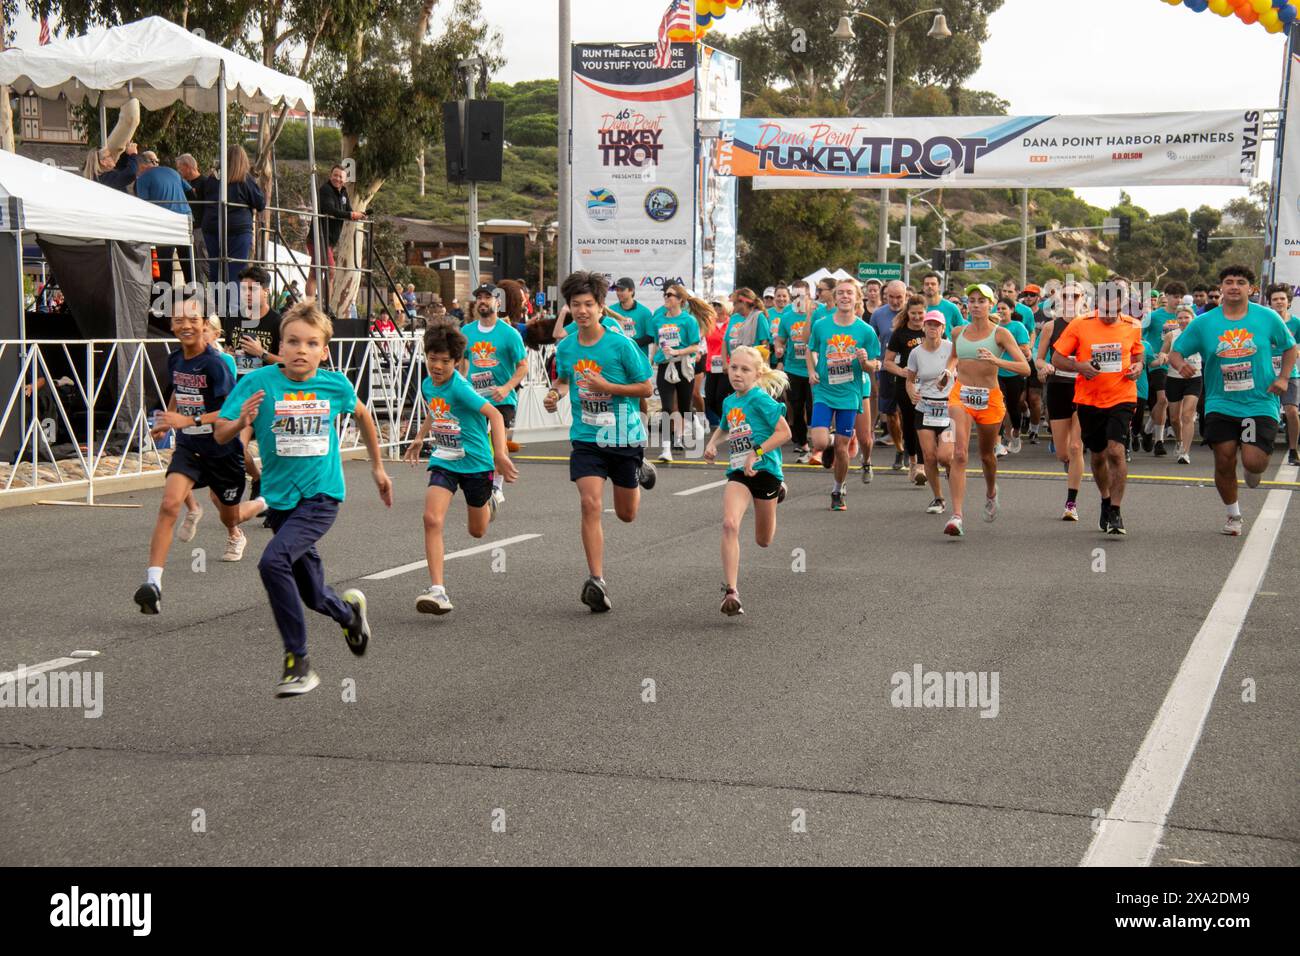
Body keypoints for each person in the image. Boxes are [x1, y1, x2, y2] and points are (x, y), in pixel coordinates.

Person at [215, 301, 393, 695]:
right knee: (312, 593)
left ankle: (299, 661)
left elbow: (363, 416)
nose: (300, 349)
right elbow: (220, 434)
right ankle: (349, 615)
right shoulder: (258, 383)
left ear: (324, 351)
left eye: (311, 343)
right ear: (281, 344)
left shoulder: (335, 385)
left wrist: (378, 468)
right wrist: (242, 422)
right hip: (281, 501)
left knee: (272, 561)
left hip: (322, 496)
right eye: (292, 341)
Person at [134, 297, 269, 614]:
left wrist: (190, 420)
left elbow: (229, 410)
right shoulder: (175, 360)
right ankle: (153, 583)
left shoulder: (217, 363)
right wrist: (166, 421)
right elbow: (177, 392)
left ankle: (262, 504)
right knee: (169, 504)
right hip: (189, 447)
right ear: (171, 325)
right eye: (179, 320)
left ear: (204, 325)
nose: (185, 325)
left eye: (192, 320)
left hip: (222, 449)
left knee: (229, 516)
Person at [543, 271, 656, 612]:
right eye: (575, 305)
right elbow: (564, 379)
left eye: (588, 305)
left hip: (623, 435)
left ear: (601, 306)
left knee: (626, 514)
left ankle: (638, 469)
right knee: (590, 503)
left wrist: (609, 388)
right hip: (587, 437)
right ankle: (596, 580)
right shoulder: (566, 345)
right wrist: (554, 394)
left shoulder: (621, 345)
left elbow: (646, 388)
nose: (582, 311)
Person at [1169, 265, 1297, 535]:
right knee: (1224, 458)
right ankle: (1233, 514)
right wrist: (1180, 365)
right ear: (1222, 288)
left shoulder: (1267, 317)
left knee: (1254, 462)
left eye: (1241, 282)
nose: (1234, 286)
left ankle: (1254, 468)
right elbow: (1176, 352)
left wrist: (1284, 378)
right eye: (1229, 282)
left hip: (1259, 401)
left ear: (1251, 289)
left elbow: (1290, 347)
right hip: (1220, 401)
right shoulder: (1204, 323)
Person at [403, 321, 518, 614]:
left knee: (477, 531)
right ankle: (438, 590)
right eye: (432, 358)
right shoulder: (429, 384)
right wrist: (418, 438)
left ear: (456, 362)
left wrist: (500, 455)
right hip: (445, 458)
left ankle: (490, 498)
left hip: (477, 463)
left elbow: (495, 416)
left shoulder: (461, 388)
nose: (437, 366)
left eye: (445, 361)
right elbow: (435, 409)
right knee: (431, 518)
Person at [1051, 283, 1145, 536]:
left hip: (1122, 396)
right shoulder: (1080, 324)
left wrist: (1138, 368)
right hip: (1089, 399)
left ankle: (1116, 510)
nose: (1110, 312)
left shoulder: (1132, 326)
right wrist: (1080, 367)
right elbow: (1057, 358)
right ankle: (1105, 498)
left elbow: (1138, 356)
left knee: (1116, 450)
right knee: (1098, 456)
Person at [703, 345, 791, 617]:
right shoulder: (730, 401)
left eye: (744, 369)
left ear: (757, 374)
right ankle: (731, 591)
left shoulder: (760, 399)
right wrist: (713, 443)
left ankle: (777, 492)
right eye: (734, 368)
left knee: (763, 540)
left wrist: (757, 452)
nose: (737, 374)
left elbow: (784, 433)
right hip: (739, 472)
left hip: (765, 471)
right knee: (729, 524)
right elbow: (726, 425)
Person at [944, 284, 1030, 536]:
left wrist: (996, 360)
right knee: (959, 454)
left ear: (990, 305)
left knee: (986, 456)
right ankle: (956, 516)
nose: (975, 305)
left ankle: (991, 491)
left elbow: (1024, 367)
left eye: (981, 301)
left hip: (989, 399)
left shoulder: (1001, 334)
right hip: (961, 395)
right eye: (971, 300)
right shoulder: (958, 331)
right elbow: (953, 357)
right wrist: (948, 370)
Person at [808, 279, 880, 511]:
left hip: (850, 394)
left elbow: (874, 365)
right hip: (824, 391)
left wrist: (864, 361)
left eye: (849, 293)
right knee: (819, 441)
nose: (845, 296)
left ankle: (838, 490)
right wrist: (811, 371)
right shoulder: (821, 325)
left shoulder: (865, 331)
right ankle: (828, 443)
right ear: (834, 297)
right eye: (840, 293)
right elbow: (811, 349)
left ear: (857, 297)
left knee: (842, 446)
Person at [461, 284, 528, 505]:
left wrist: (507, 387)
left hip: (502, 398)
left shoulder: (510, 334)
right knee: (478, 443)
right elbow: (462, 364)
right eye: (479, 297)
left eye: (487, 297)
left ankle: (497, 487)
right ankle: (481, 480)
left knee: (499, 442)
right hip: (475, 397)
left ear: (497, 302)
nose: (482, 300)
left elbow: (523, 367)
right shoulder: (466, 332)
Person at [1036, 283, 1086, 521]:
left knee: (1076, 447)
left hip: (1084, 388)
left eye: (1074, 295)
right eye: (1065, 295)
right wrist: (1043, 366)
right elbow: (1038, 358)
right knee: (1063, 452)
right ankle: (1069, 463)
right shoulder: (1050, 326)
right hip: (1057, 387)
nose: (1069, 299)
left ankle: (1071, 503)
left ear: (1082, 298)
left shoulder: (1089, 324)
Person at [648, 284, 709, 462]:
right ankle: (666, 447)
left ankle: (693, 422)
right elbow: (656, 343)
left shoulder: (688, 320)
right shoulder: (658, 319)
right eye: (665, 295)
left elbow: (695, 346)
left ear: (680, 300)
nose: (666, 297)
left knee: (683, 407)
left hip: (683, 365)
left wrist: (678, 352)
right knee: (667, 407)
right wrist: (652, 359)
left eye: (670, 295)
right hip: (665, 366)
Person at [905, 311, 957, 515]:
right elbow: (909, 380)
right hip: (925, 408)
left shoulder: (952, 349)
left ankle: (953, 475)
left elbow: (963, 371)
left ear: (943, 329)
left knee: (945, 457)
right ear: (923, 327)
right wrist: (911, 394)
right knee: (929, 456)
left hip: (948, 410)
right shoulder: (916, 353)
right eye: (929, 324)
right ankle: (938, 498)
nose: (933, 328)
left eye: (937, 325)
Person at [198, 145, 266, 290]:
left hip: (211, 227)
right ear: (243, 160)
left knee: (215, 269)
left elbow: (203, 195)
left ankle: (217, 305)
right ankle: (233, 308)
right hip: (238, 229)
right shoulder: (245, 179)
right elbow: (260, 203)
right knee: (236, 270)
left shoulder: (212, 178)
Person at [884, 295, 929, 485]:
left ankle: (922, 465)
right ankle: (912, 461)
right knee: (910, 425)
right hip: (907, 386)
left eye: (920, 313)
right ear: (907, 313)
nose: (917, 317)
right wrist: (901, 371)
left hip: (930, 386)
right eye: (913, 313)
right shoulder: (900, 333)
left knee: (925, 425)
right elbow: (887, 362)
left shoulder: (933, 329)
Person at [134, 150, 196, 284]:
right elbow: (191, 191)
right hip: (185, 218)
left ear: (141, 165)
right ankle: (194, 291)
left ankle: (165, 297)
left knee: (164, 261)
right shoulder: (172, 171)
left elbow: (143, 205)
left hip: (165, 221)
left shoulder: (143, 179)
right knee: (187, 259)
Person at [305, 164, 365, 299]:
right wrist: (350, 215)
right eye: (335, 175)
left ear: (345, 180)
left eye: (340, 177)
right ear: (330, 176)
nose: (337, 179)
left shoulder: (343, 192)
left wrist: (357, 214)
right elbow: (329, 209)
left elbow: (347, 210)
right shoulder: (325, 190)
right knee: (330, 271)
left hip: (329, 240)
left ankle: (319, 305)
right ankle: (323, 305)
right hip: (318, 238)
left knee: (316, 272)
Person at [1154, 303, 1203, 465]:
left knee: (1187, 415)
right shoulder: (1171, 335)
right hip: (1174, 378)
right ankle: (1179, 441)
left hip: (1194, 378)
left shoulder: (1199, 335)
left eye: (1186, 317)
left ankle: (1185, 453)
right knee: (1174, 418)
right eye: (1180, 318)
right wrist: (1162, 356)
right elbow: (1163, 351)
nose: (1183, 321)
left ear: (1193, 318)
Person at [1142, 281, 1185, 457]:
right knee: (1162, 400)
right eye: (1175, 297)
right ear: (1166, 297)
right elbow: (1139, 336)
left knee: (1168, 403)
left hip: (1177, 363)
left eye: (1181, 297)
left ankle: (1147, 430)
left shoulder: (1185, 316)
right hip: (1157, 362)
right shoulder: (1153, 316)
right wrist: (1149, 354)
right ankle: (1159, 441)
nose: (1178, 300)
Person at [774, 285, 816, 462]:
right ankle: (803, 444)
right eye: (796, 294)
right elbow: (781, 339)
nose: (798, 298)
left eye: (802, 294)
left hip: (813, 368)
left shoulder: (818, 312)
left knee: (813, 407)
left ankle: (818, 444)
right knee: (796, 408)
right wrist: (778, 348)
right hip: (793, 368)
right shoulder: (787, 316)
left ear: (808, 295)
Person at [868, 280, 907, 469]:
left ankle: (911, 450)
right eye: (890, 297)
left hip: (911, 370)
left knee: (910, 412)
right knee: (891, 413)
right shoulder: (878, 314)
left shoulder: (914, 313)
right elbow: (871, 341)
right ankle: (900, 449)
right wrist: (873, 361)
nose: (895, 301)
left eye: (899, 297)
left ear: (906, 296)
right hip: (886, 369)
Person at [224, 266, 282, 384]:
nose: (247, 294)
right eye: (244, 289)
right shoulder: (232, 318)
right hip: (238, 386)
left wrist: (261, 353)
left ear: (266, 292)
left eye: (252, 289)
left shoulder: (279, 322)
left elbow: (288, 363)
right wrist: (227, 356)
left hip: (267, 387)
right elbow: (227, 348)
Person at [1264, 283, 1300, 466]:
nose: (1279, 302)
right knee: (1266, 412)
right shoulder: (1265, 323)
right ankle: (1261, 447)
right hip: (1267, 373)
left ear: (1288, 302)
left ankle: (1293, 450)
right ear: (1270, 303)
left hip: (1290, 373)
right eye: (1275, 299)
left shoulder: (1296, 323)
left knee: (1292, 411)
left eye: (1282, 299)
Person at [994, 297, 1032, 457]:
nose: (1001, 311)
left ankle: (1016, 432)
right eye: (999, 308)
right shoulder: (993, 327)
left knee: (1013, 407)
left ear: (1011, 310)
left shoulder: (1017, 326)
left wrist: (1006, 345)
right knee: (999, 405)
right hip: (997, 372)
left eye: (1004, 308)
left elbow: (1024, 348)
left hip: (1015, 372)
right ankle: (998, 443)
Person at [922, 272, 963, 338]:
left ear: (939, 287)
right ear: (923, 287)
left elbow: (961, 330)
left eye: (933, 284)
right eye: (927, 284)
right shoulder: (919, 308)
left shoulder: (951, 307)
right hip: (924, 346)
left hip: (947, 347)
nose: (930, 286)